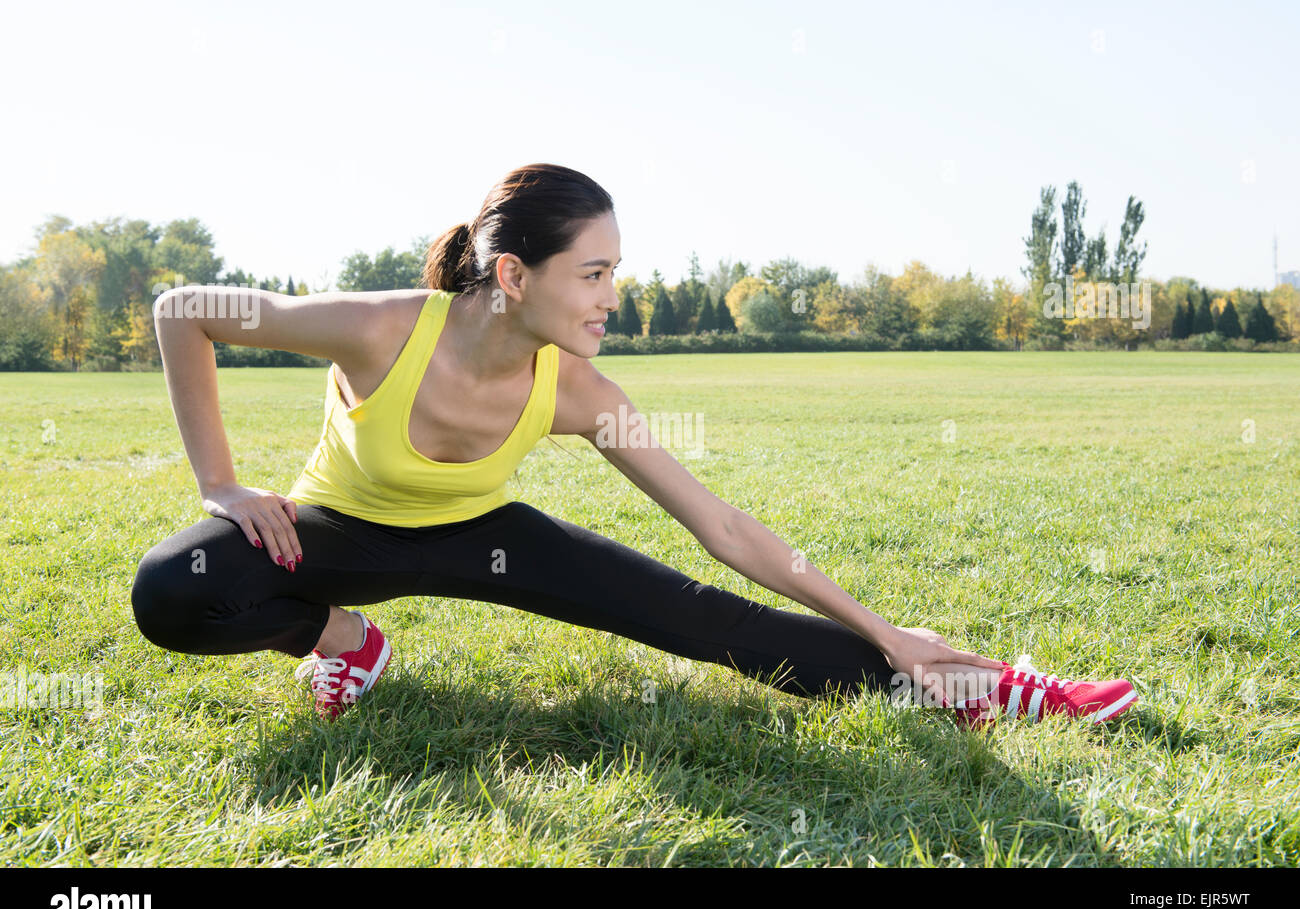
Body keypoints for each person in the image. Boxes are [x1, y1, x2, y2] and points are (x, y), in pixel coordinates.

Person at [130, 162, 1137, 727]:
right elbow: (186, 309)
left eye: (618, 272)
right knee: (173, 588)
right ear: (516, 276)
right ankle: (347, 644)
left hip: (489, 536)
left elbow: (723, 529)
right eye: (596, 275)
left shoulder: (581, 393)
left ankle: (985, 687)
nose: (616, 298)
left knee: (709, 622)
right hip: (336, 531)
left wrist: (887, 631)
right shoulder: (381, 329)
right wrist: (220, 482)